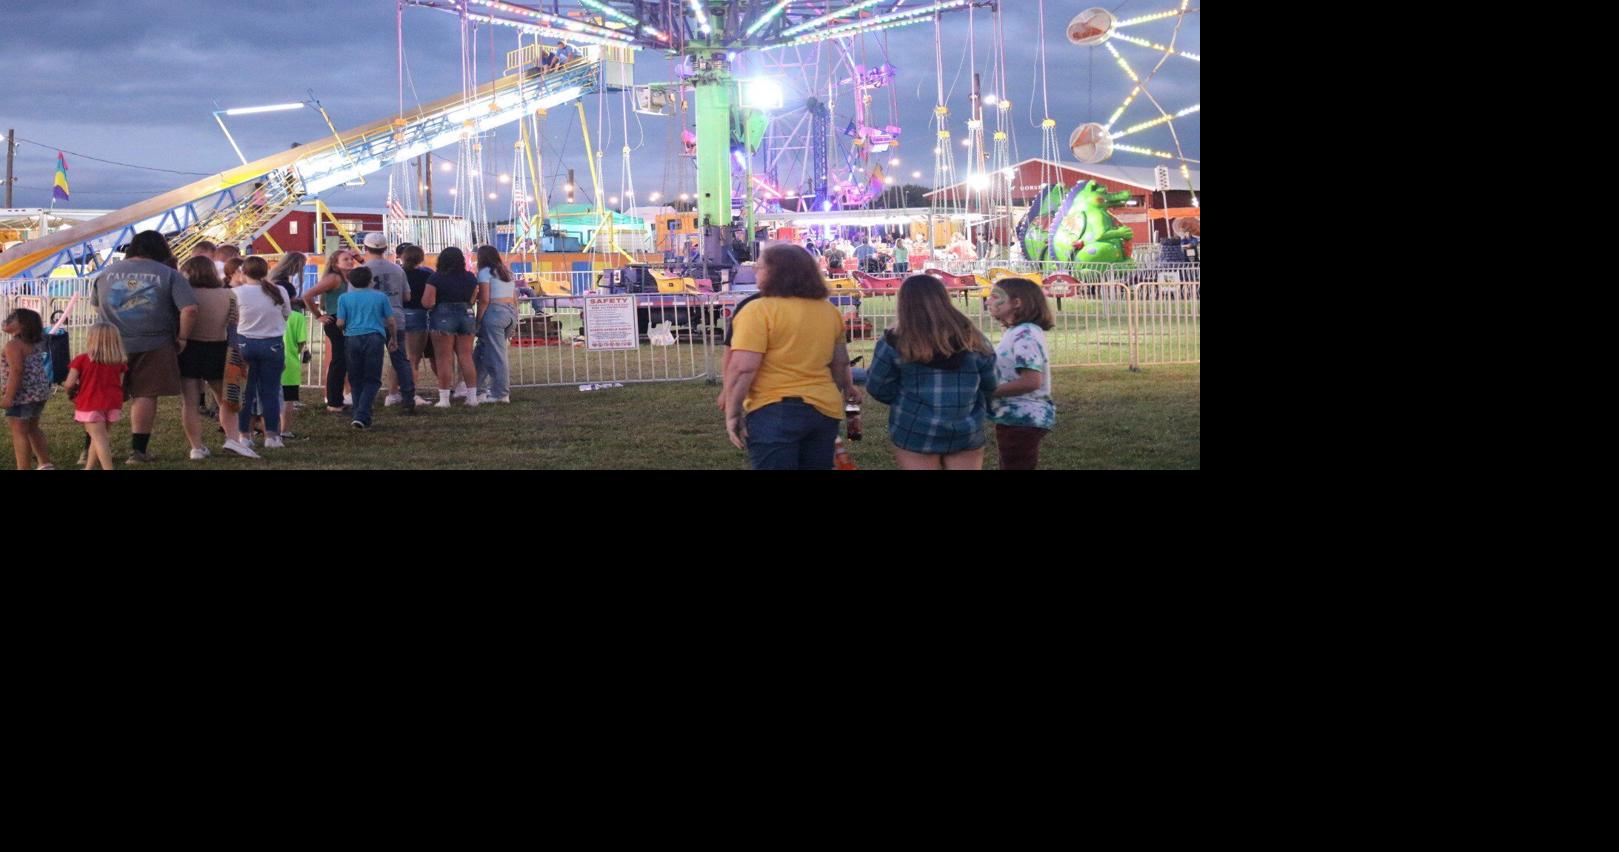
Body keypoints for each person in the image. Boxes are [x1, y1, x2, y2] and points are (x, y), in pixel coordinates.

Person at [724, 243, 859, 470]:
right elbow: (840, 364)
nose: (756, 271)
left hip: (773, 410)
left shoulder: (758, 311)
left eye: (760, 267)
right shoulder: (829, 312)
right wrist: (839, 393)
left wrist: (733, 412)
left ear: (775, 273)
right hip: (824, 413)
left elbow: (743, 368)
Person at [864, 274, 998, 470]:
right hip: (965, 428)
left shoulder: (894, 342)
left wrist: (903, 399)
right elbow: (991, 384)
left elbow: (877, 387)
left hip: (914, 429)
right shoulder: (974, 339)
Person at [90, 230, 198, 464]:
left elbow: (98, 308)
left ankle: (89, 450)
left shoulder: (105, 274)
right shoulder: (169, 274)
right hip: (155, 342)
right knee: (145, 394)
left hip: (111, 343)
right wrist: (183, 338)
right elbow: (189, 309)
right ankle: (138, 451)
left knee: (101, 396)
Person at [986, 278, 1056, 470]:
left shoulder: (1026, 333)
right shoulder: (1017, 331)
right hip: (1014, 418)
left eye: (995, 296)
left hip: (1023, 417)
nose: (987, 301)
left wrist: (988, 391)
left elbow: (1031, 381)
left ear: (1017, 303)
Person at [228, 257, 290, 455]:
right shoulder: (279, 291)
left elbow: (231, 317)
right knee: (270, 392)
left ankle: (244, 435)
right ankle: (272, 435)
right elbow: (286, 313)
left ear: (243, 272)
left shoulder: (237, 292)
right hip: (272, 343)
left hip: (245, 342)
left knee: (245, 392)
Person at [177, 256, 236, 460]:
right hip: (218, 346)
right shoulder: (228, 294)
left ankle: (196, 447)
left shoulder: (185, 295)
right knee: (224, 399)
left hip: (189, 348)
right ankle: (232, 439)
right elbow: (234, 321)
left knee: (190, 402)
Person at [359, 233, 416, 414]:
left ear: (366, 248)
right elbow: (407, 296)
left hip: (370, 321)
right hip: (396, 318)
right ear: (385, 249)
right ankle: (408, 398)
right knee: (400, 360)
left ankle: (365, 399)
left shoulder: (361, 270)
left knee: (369, 362)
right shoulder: (398, 270)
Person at [336, 265, 397, 429]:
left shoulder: (344, 298)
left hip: (352, 337)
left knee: (355, 379)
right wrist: (393, 338)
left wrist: (344, 331)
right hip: (374, 337)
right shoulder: (380, 297)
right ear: (371, 280)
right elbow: (391, 321)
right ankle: (362, 414)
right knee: (372, 379)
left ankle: (359, 414)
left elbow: (340, 322)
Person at [422, 246, 481, 408]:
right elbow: (473, 299)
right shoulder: (470, 277)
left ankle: (444, 399)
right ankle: (472, 397)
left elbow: (428, 302)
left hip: (443, 315)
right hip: (466, 314)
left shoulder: (436, 278)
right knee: (466, 357)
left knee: (444, 358)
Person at [63, 322, 128, 471]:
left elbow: (70, 383)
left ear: (91, 339)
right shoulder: (120, 362)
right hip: (112, 403)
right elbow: (120, 383)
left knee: (99, 438)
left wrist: (67, 387)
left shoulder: (81, 360)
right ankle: (89, 467)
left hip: (89, 403)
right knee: (98, 437)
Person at [302, 248, 358, 412]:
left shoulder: (349, 278)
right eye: (345, 259)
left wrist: (359, 258)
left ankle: (340, 398)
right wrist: (318, 315)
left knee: (345, 361)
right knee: (339, 361)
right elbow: (308, 295)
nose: (350, 261)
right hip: (335, 321)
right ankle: (334, 401)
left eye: (350, 259)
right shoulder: (334, 278)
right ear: (335, 264)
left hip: (347, 321)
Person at [2, 308, 55, 470]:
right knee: (32, 428)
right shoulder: (36, 342)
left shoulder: (13, 345)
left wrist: (8, 397)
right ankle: (45, 463)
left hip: (22, 395)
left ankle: (23, 467)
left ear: (23, 325)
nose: (7, 319)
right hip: (39, 393)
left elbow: (17, 371)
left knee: (19, 432)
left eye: (13, 317)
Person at [473, 245, 517, 404]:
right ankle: (477, 389)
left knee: (496, 356)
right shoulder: (506, 273)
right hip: (509, 313)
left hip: (494, 313)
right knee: (482, 353)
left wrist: (478, 321)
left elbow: (484, 299)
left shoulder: (484, 273)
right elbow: (514, 298)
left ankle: (500, 393)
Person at [398, 244, 433, 406]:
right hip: (418, 314)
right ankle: (411, 394)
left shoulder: (397, 273)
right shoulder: (426, 274)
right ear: (421, 258)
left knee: (398, 358)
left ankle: (393, 393)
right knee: (413, 359)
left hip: (398, 314)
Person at [281, 297, 310, 439]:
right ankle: (284, 430)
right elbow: (301, 342)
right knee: (288, 399)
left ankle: (265, 427)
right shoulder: (298, 317)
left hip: (270, 359)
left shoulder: (271, 314)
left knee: (268, 396)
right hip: (290, 363)